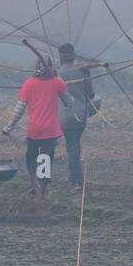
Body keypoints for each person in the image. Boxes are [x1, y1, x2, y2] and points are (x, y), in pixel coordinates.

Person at [2, 55, 73, 207]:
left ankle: (33, 186)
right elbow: (69, 103)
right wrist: (60, 82)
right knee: (45, 160)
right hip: (50, 131)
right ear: (50, 67)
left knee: (31, 159)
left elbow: (19, 109)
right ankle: (41, 192)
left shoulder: (29, 84)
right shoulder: (57, 83)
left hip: (34, 130)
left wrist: (9, 126)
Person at [56, 43, 97, 188]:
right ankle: (73, 177)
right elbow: (91, 94)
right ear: (73, 56)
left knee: (72, 147)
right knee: (74, 146)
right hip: (81, 116)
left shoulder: (57, 74)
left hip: (65, 117)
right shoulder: (83, 71)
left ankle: (77, 180)